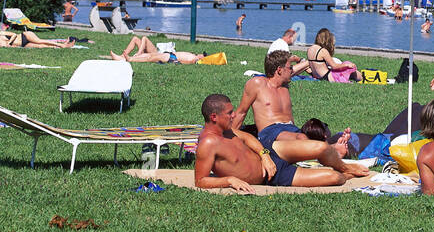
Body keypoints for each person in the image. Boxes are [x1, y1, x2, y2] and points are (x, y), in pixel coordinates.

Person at [231, 51, 368, 186]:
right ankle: (341, 161)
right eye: (289, 68)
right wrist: (230, 140)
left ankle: (333, 148)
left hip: (291, 130)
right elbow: (241, 113)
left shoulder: (284, 85)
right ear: (279, 70)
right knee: (303, 139)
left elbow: (295, 69)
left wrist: (303, 61)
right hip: (270, 132)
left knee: (312, 141)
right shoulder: (258, 83)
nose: (292, 71)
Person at [192, 93, 265, 193]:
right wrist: (229, 180)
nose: (234, 115)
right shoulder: (208, 143)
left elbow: (247, 137)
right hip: (271, 176)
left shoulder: (225, 130)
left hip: (269, 162)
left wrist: (265, 155)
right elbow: (200, 181)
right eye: (229, 113)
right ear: (214, 117)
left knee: (292, 145)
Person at [110, 35, 204, 63]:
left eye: (203, 55)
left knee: (145, 42)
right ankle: (122, 57)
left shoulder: (194, 59)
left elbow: (183, 61)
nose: (201, 54)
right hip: (165, 54)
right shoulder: (193, 55)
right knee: (136, 38)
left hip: (166, 55)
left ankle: (126, 58)